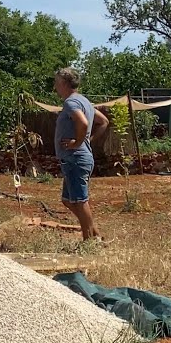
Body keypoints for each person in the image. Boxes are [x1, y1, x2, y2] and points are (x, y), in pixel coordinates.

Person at [53, 67, 108, 241]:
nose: (55, 87)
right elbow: (104, 122)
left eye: (56, 83)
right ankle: (94, 233)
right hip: (73, 159)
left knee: (79, 200)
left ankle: (88, 241)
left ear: (63, 83)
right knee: (68, 200)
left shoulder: (71, 103)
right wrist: (88, 141)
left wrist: (77, 142)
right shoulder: (84, 101)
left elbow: (83, 123)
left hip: (75, 158)